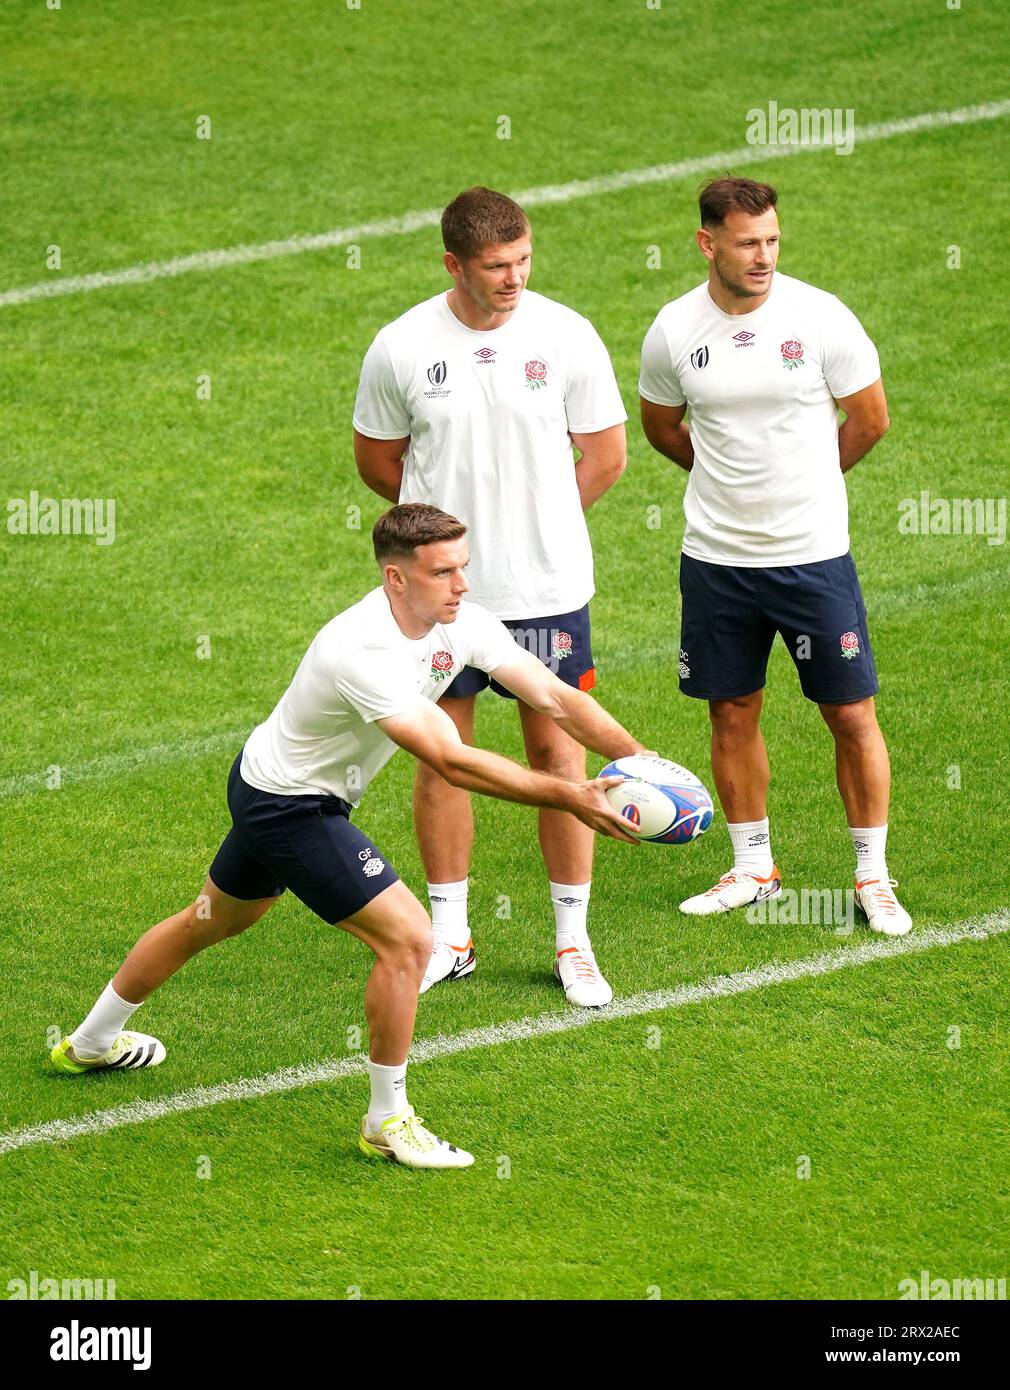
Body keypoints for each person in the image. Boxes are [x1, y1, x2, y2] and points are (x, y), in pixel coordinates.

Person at [50, 504, 650, 1168]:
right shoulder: (360, 648)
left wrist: (639, 761)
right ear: (397, 578)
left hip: (266, 783)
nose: (461, 585)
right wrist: (572, 794)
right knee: (409, 939)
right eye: (442, 572)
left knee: (209, 919)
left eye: (463, 568)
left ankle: (90, 1043)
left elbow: (557, 698)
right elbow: (449, 761)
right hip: (289, 806)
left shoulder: (465, 624)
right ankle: (387, 1121)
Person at [353, 186, 628, 1006]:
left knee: (558, 754)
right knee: (446, 758)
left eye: (523, 260)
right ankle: (450, 936)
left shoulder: (566, 333)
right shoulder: (401, 346)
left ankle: (573, 941)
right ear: (453, 264)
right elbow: (379, 463)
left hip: (546, 589)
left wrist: (534, 523)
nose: (514, 278)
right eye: (495, 266)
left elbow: (605, 456)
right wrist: (445, 557)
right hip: (441, 602)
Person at [639, 176, 911, 937]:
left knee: (850, 712)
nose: (763, 257)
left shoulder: (820, 318)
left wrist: (810, 487)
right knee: (731, 710)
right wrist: (725, 484)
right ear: (708, 243)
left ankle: (872, 875)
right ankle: (754, 866)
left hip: (813, 557)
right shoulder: (672, 330)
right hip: (717, 561)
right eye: (747, 242)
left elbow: (871, 419)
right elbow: (662, 426)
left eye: (772, 241)